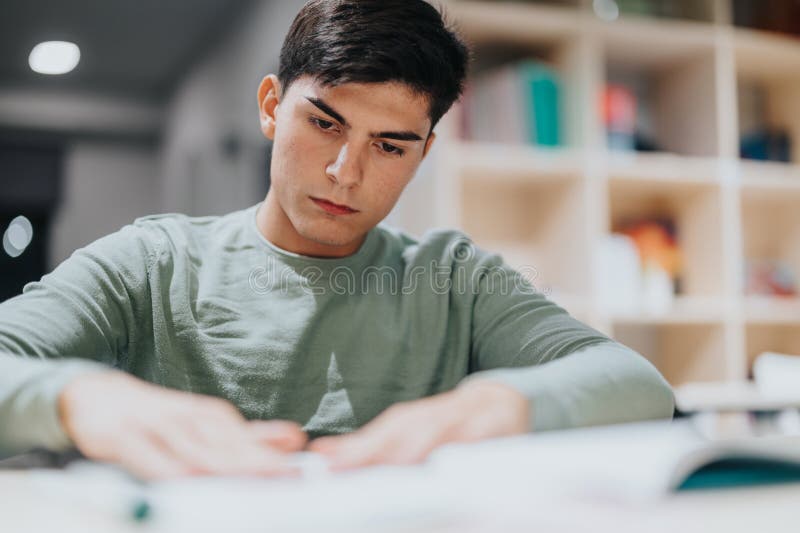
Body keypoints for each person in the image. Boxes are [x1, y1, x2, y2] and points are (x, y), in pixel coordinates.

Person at [0, 0, 674, 480]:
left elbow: (636, 384)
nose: (345, 173)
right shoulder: (152, 262)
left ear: (424, 153)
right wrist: (78, 396)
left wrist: (501, 402)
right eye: (324, 124)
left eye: (388, 146)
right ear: (270, 106)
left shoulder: (452, 277)